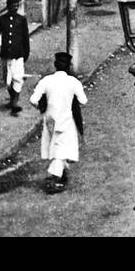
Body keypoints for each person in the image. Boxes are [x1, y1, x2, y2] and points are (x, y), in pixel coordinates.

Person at [30, 51, 88, 193]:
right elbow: (83, 101)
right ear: (68, 66)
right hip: (66, 120)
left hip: (50, 119)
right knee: (61, 149)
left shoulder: (46, 81)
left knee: (56, 146)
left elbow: (33, 100)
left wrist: (43, 109)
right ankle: (53, 178)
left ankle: (62, 173)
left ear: (55, 65)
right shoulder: (73, 82)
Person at [0, 0, 30, 115]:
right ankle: (12, 98)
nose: (15, 8)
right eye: (13, 6)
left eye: (17, 6)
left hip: (18, 54)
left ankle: (15, 102)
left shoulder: (22, 20)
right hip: (6, 54)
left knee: (17, 77)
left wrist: (26, 53)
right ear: (8, 6)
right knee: (7, 81)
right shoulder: (2, 20)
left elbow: (25, 37)